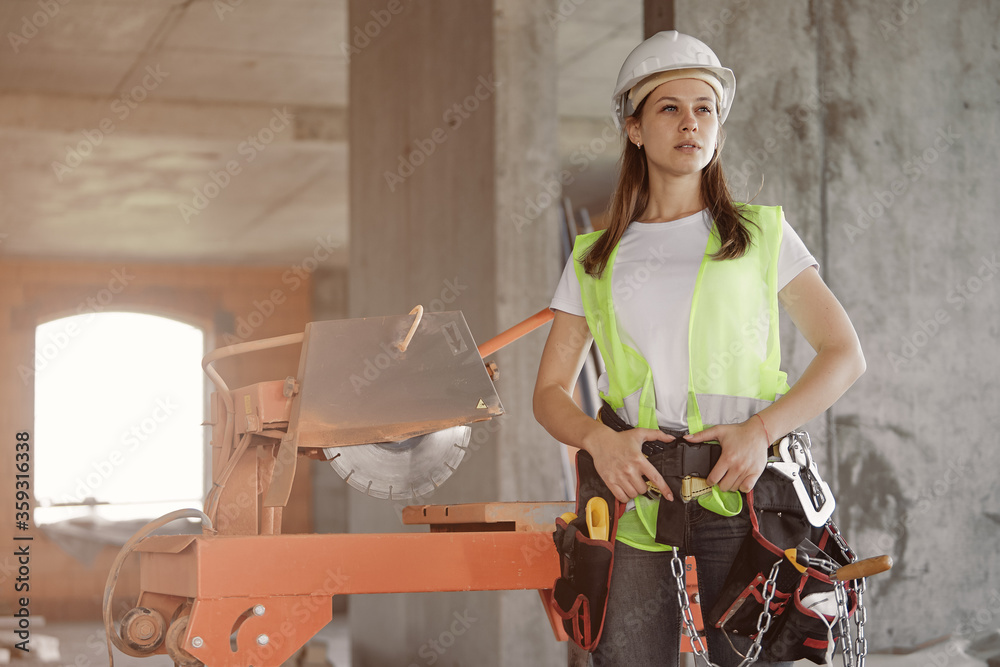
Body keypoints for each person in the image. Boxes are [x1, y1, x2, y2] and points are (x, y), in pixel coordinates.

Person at [533, 31, 866, 666]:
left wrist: (760, 430)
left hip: (739, 483)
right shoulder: (595, 259)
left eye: (705, 108)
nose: (691, 122)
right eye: (669, 107)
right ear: (634, 128)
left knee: (757, 657)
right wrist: (598, 441)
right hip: (634, 491)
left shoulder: (761, 235)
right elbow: (548, 393)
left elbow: (842, 352)